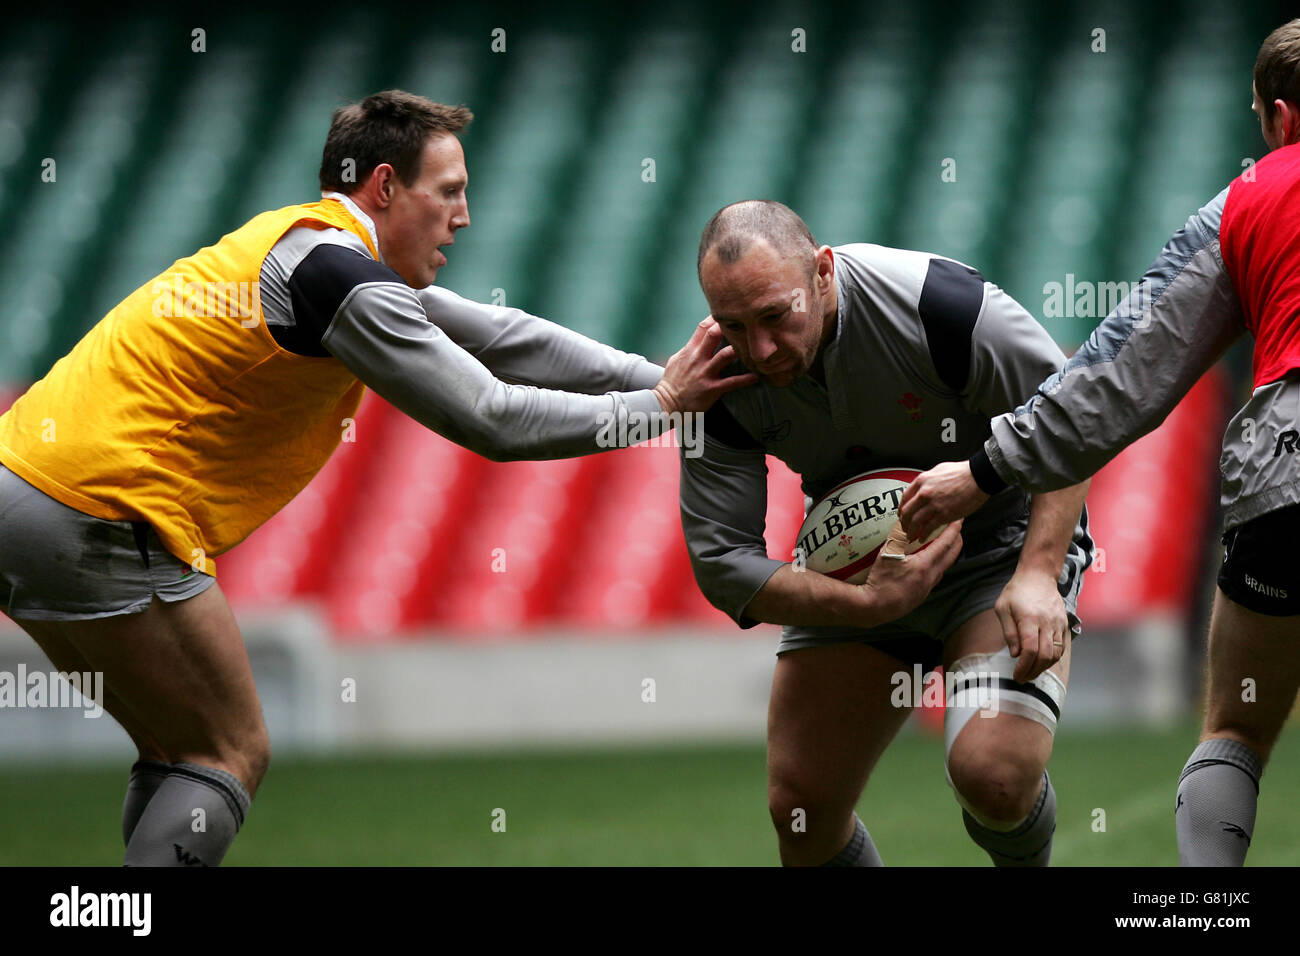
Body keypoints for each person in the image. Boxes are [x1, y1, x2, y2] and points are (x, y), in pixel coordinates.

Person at [0, 90, 752, 866]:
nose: (464, 216)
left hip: (21, 487)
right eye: (450, 192)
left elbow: (503, 336)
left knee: (175, 751)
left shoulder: (308, 248)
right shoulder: (338, 277)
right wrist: (663, 406)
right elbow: (490, 418)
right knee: (225, 754)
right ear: (384, 186)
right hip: (99, 504)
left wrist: (666, 378)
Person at [899, 19, 1300, 867]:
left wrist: (980, 472)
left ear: (1278, 118)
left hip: (1289, 476)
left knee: (1235, 725)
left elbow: (1116, 380)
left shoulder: (1249, 201)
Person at [680, 199, 1093, 866]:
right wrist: (867, 603)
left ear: (821, 271)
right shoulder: (717, 378)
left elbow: (1070, 414)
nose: (757, 350)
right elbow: (721, 562)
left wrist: (1040, 571)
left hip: (998, 545)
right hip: (857, 569)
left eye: (774, 317)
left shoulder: (941, 307)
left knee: (993, 775)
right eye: (732, 324)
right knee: (801, 810)